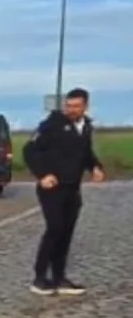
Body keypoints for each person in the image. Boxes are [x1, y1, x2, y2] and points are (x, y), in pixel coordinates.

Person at [23, 87, 106, 295]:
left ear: (85, 106)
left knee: (66, 233)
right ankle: (39, 278)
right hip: (51, 187)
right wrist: (43, 174)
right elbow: (30, 150)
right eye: (68, 105)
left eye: (76, 106)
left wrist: (95, 167)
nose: (71, 110)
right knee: (55, 228)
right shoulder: (52, 125)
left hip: (72, 188)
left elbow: (85, 152)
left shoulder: (85, 126)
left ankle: (59, 278)